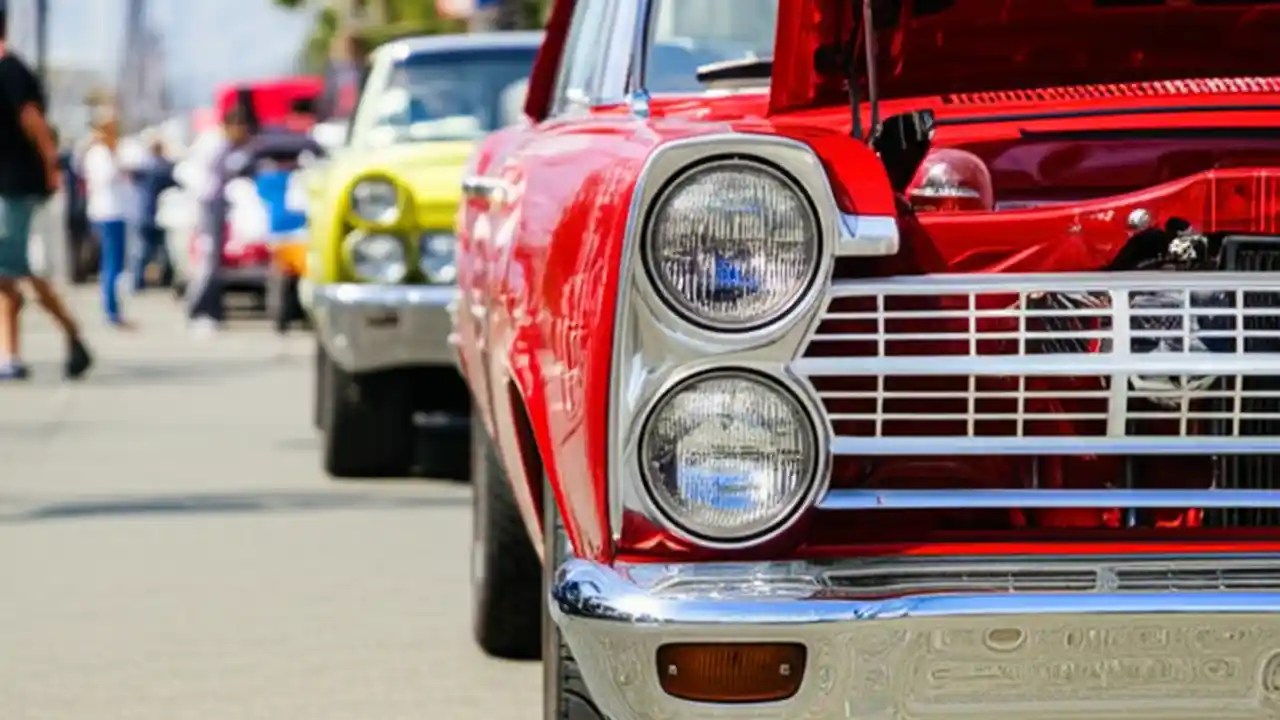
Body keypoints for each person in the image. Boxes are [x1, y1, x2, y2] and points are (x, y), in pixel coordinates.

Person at [0, 2, 92, 380]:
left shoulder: (10, 70)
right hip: (8, 183)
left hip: (15, 184)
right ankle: (23, 351)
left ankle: (28, 349)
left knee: (8, 268)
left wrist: (51, 165)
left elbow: (33, 120)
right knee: (10, 271)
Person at [187, 105, 254, 332]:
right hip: (208, 203)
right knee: (208, 260)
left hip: (216, 203)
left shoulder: (224, 144)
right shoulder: (213, 143)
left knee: (214, 261)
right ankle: (200, 310)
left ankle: (211, 310)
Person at [82, 109, 133, 328]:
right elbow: (106, 179)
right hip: (107, 213)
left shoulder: (111, 153)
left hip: (117, 211)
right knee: (111, 263)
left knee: (115, 263)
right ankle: (110, 310)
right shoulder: (99, 154)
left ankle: (114, 307)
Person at [131, 133, 176, 291]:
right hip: (156, 215)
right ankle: (160, 281)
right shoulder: (161, 168)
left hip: (147, 214)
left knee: (146, 250)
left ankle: (139, 282)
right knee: (156, 250)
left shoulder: (144, 167)